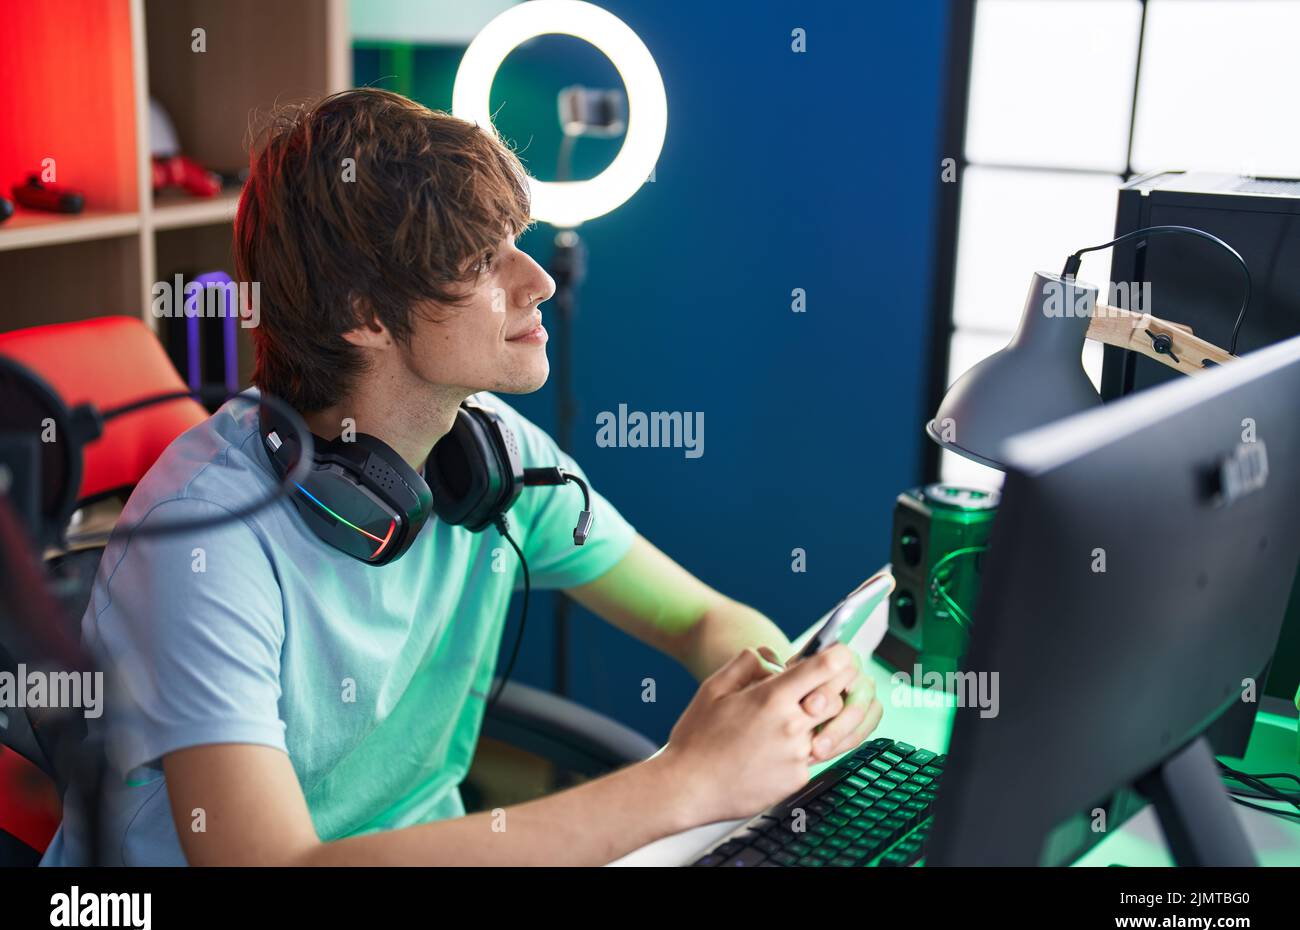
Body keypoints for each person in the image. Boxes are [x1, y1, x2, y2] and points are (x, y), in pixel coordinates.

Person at [41, 89, 879, 866]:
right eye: (484, 261)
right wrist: (684, 785)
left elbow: (701, 619)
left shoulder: (493, 457)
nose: (539, 282)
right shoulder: (205, 547)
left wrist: (794, 709)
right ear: (361, 315)